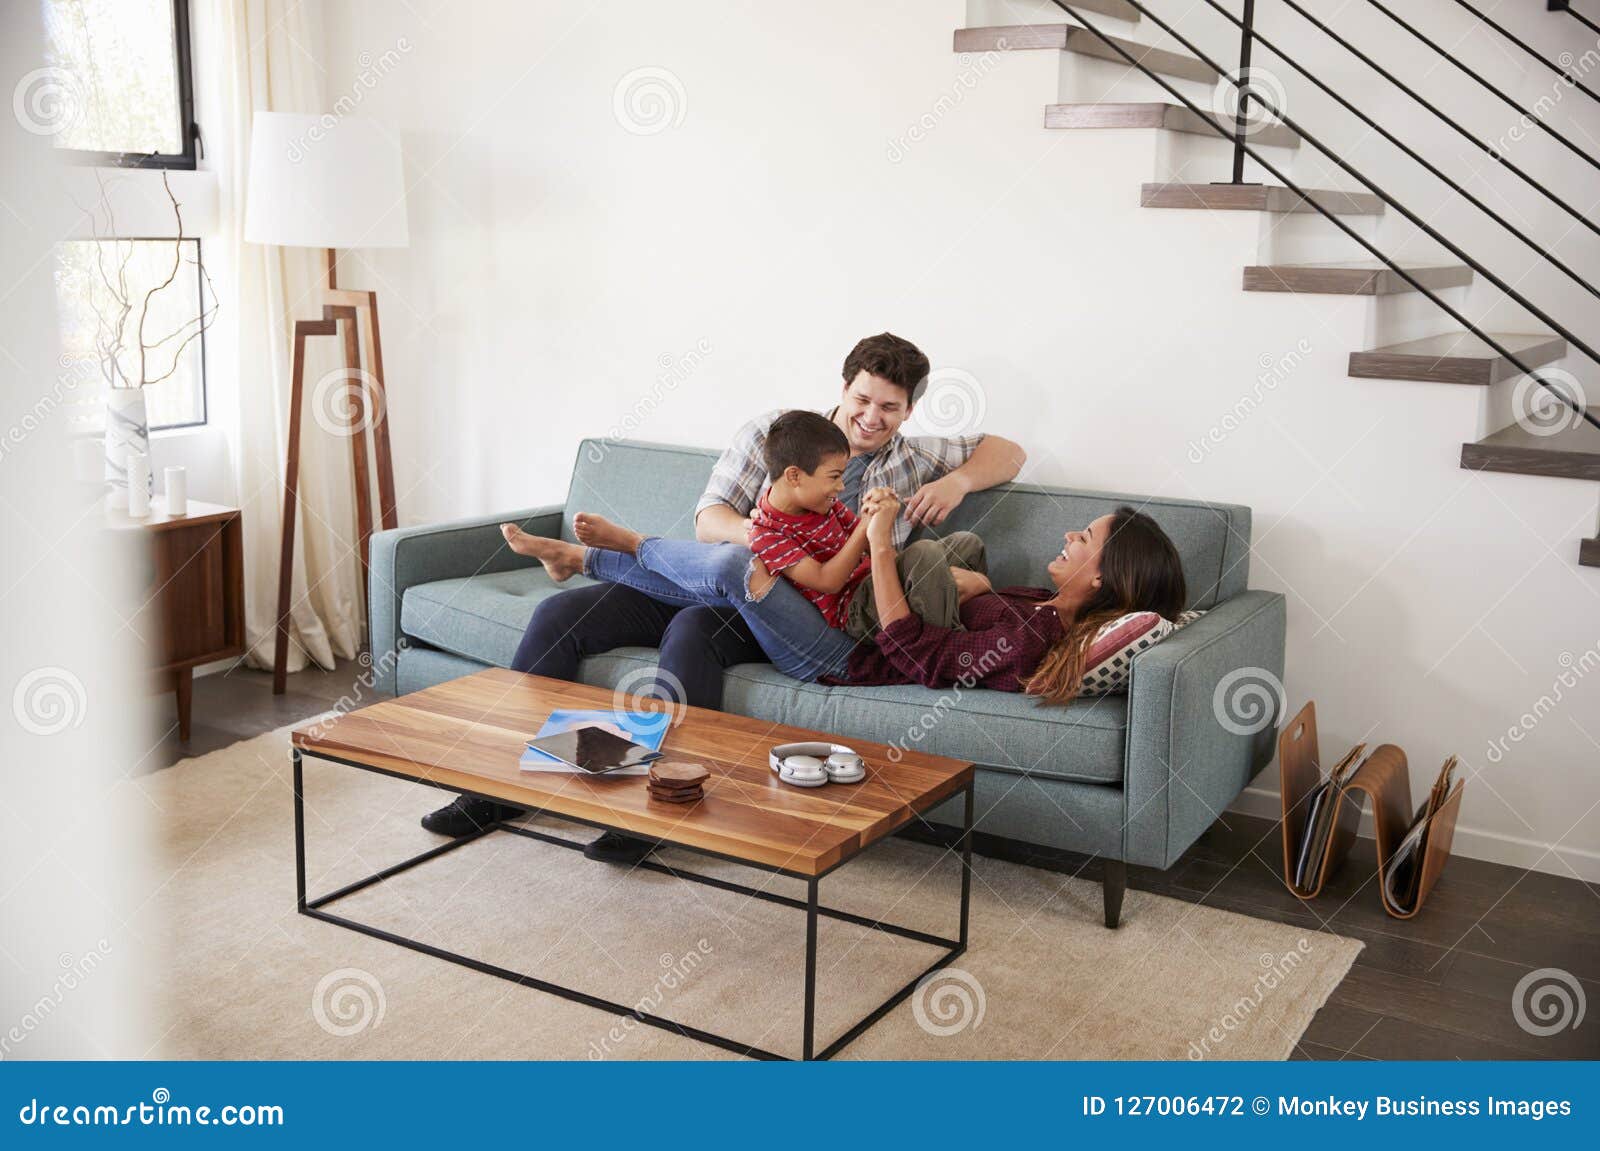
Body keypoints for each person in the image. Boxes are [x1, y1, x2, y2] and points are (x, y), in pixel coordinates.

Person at [419, 332, 1027, 859]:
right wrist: (767, 544)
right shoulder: (775, 435)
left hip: (793, 615)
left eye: (889, 408)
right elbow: (710, 520)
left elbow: (1011, 450)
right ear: (843, 387)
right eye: (862, 399)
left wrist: (959, 481)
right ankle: (496, 791)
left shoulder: (914, 458)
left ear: (910, 409)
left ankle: (659, 805)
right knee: (560, 613)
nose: (872, 417)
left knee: (691, 635)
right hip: (719, 572)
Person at [505, 504, 1187, 705]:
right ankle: (587, 560)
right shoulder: (1039, 601)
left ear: (1102, 579)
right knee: (570, 613)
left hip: (847, 652)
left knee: (738, 573)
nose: (1069, 533)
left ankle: (617, 546)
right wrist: (963, 578)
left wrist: (884, 543)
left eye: (1086, 536)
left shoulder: (1035, 633)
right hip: (835, 601)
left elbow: (917, 652)